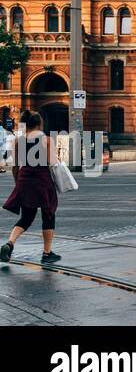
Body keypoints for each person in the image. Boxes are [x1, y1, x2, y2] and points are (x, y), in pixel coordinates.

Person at [1, 111, 60, 264]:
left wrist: (18, 183)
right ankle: (47, 253)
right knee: (48, 214)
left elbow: (15, 166)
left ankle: (10, 243)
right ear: (39, 123)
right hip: (42, 180)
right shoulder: (46, 140)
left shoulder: (17, 141)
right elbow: (52, 162)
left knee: (27, 216)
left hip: (24, 179)